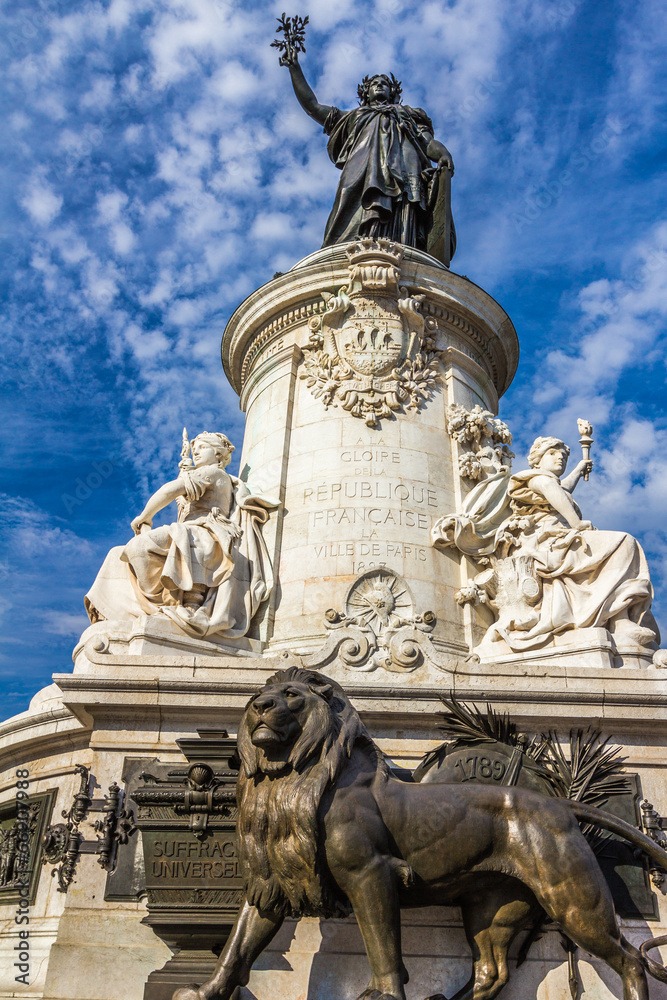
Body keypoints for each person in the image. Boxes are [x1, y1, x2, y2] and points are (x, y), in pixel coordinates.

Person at [85, 432, 278, 640]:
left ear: (219, 455)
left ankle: (163, 606)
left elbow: (171, 490)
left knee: (139, 547)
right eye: (195, 449)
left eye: (203, 447)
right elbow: (183, 508)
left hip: (206, 534)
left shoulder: (214, 474)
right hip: (192, 532)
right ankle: (153, 607)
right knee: (117, 555)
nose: (196, 451)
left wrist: (145, 516)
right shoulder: (206, 475)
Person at [280, 50, 455, 253]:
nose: (379, 85)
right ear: (366, 93)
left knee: (405, 226)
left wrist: (443, 154)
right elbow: (313, 107)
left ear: (393, 93)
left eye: (384, 84)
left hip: (405, 175)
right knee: (349, 217)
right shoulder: (353, 117)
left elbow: (428, 143)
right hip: (361, 174)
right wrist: (295, 68)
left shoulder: (408, 115)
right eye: (374, 84)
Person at [498, 436, 659, 651]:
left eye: (563, 455)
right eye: (552, 453)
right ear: (537, 459)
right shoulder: (535, 479)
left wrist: (579, 469)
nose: (560, 458)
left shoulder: (550, 483)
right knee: (624, 543)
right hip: (547, 543)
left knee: (621, 547)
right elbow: (553, 491)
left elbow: (562, 489)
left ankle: (620, 620)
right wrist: (577, 524)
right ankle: (620, 620)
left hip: (561, 539)